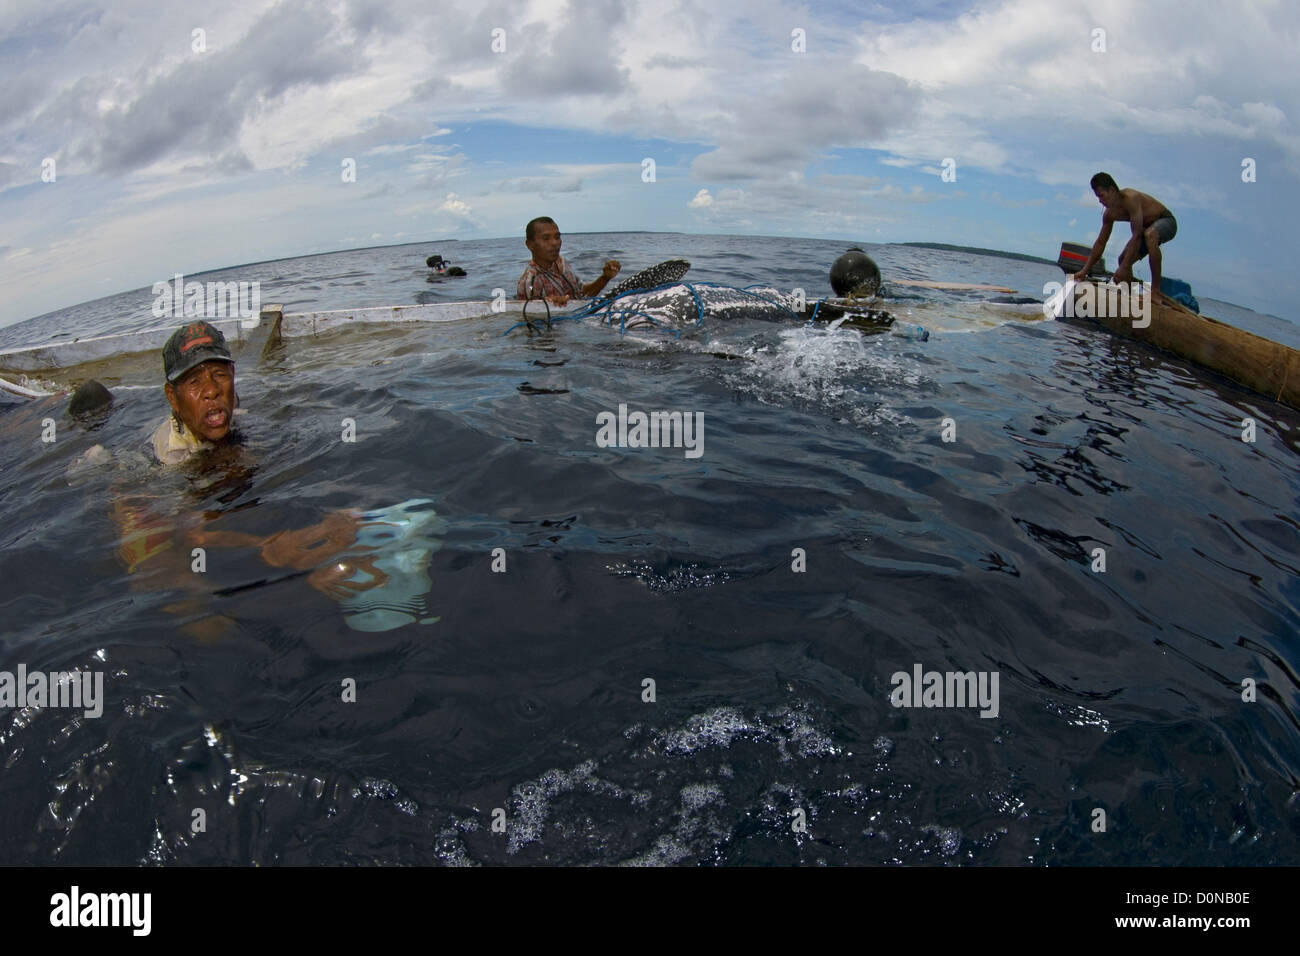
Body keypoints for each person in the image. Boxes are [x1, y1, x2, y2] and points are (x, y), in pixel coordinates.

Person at [1073, 172, 1177, 302]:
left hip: (1166, 221)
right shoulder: (1109, 214)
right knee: (1122, 259)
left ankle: (1155, 292)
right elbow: (1101, 242)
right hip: (1145, 230)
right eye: (1098, 197)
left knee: (1149, 236)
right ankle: (1128, 297)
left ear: (1111, 190)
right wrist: (1085, 270)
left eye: (1101, 196)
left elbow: (1137, 234)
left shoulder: (1130, 199)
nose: (1100, 201)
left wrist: (1125, 267)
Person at [154, 320, 239, 464]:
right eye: (194, 382)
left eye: (219, 374)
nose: (212, 391)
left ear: (232, 373)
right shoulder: (173, 457)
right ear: (172, 397)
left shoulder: (229, 399)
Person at [516, 217, 621, 306]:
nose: (554, 243)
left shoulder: (561, 262)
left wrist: (605, 278)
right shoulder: (530, 280)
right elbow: (532, 321)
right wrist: (554, 306)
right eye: (546, 238)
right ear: (530, 245)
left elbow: (582, 293)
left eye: (557, 237)